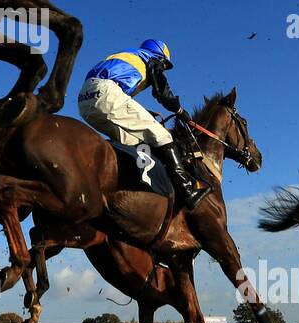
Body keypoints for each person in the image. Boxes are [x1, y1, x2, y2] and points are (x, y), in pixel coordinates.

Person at [77, 39, 209, 211]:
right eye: (164, 64)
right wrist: (179, 110)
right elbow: (162, 92)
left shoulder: (127, 55)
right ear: (160, 56)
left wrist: (145, 112)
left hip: (84, 101)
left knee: (132, 142)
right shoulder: (150, 58)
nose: (164, 68)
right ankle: (187, 190)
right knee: (162, 135)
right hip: (107, 93)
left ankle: (131, 185)